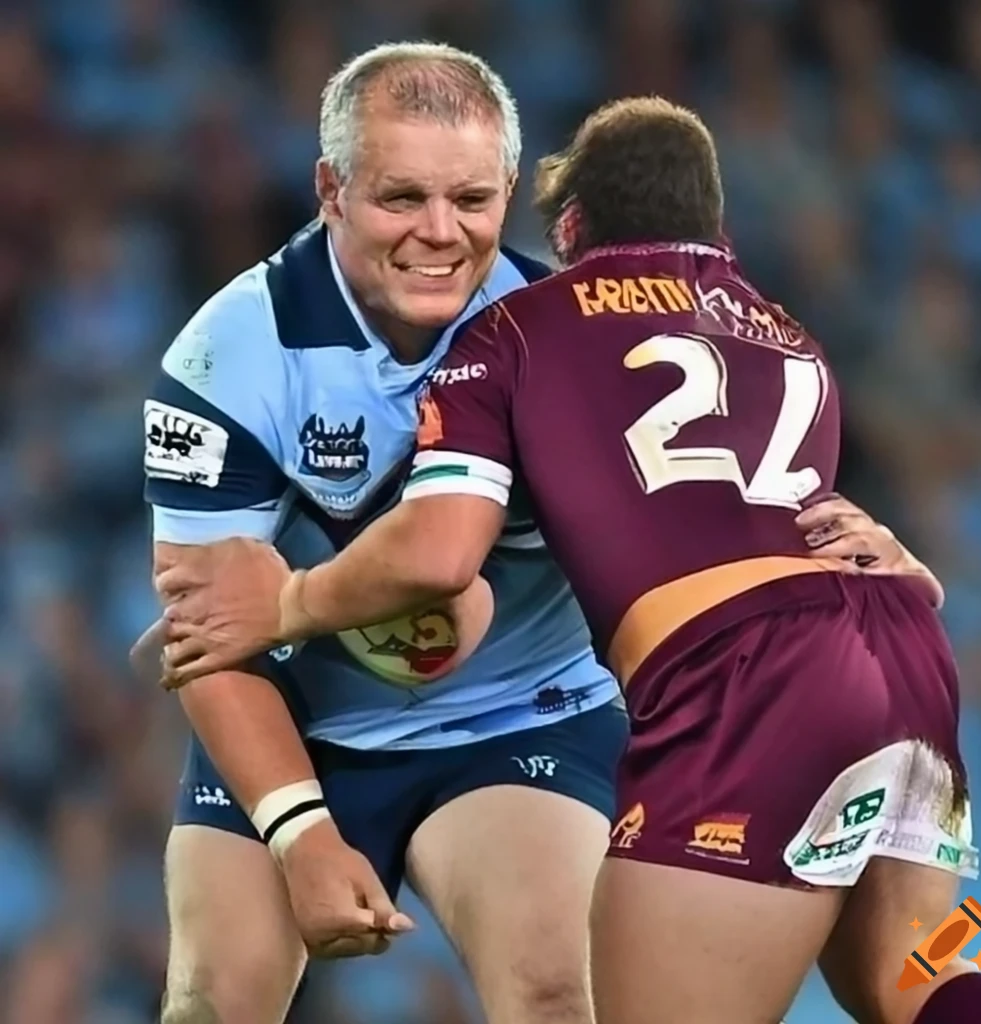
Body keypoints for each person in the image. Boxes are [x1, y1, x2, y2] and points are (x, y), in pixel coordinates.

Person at [158, 98, 981, 1024]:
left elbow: (439, 552)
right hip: (901, 654)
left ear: (566, 226)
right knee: (916, 971)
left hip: (739, 679)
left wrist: (287, 603)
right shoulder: (785, 335)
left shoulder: (520, 326)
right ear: (717, 229)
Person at [144, 42, 630, 1024]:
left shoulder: (568, 343)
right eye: (400, 198)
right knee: (210, 1002)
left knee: (552, 991)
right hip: (300, 723)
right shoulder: (225, 358)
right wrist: (299, 834)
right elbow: (209, 635)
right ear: (330, 187)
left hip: (519, 715)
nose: (439, 234)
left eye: (473, 200)